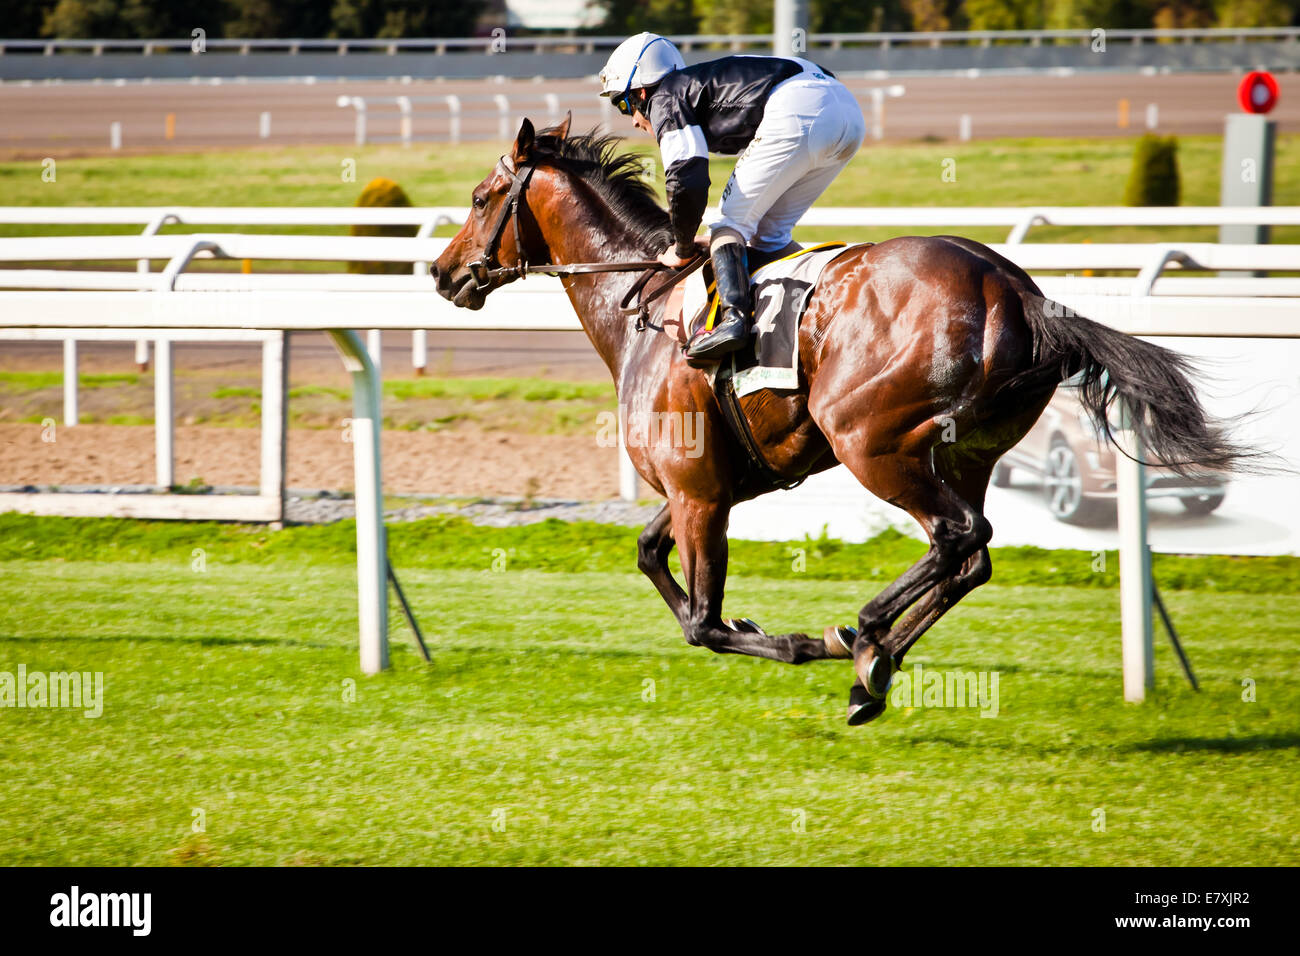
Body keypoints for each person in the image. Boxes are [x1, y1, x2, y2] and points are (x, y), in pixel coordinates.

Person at [598, 32, 867, 362]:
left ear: (641, 91)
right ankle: (823, 312)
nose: (635, 121)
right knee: (767, 236)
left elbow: (687, 178)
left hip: (801, 110)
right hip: (848, 113)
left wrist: (682, 248)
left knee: (729, 223)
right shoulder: (696, 84)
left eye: (624, 105)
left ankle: (734, 322)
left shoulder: (664, 97)